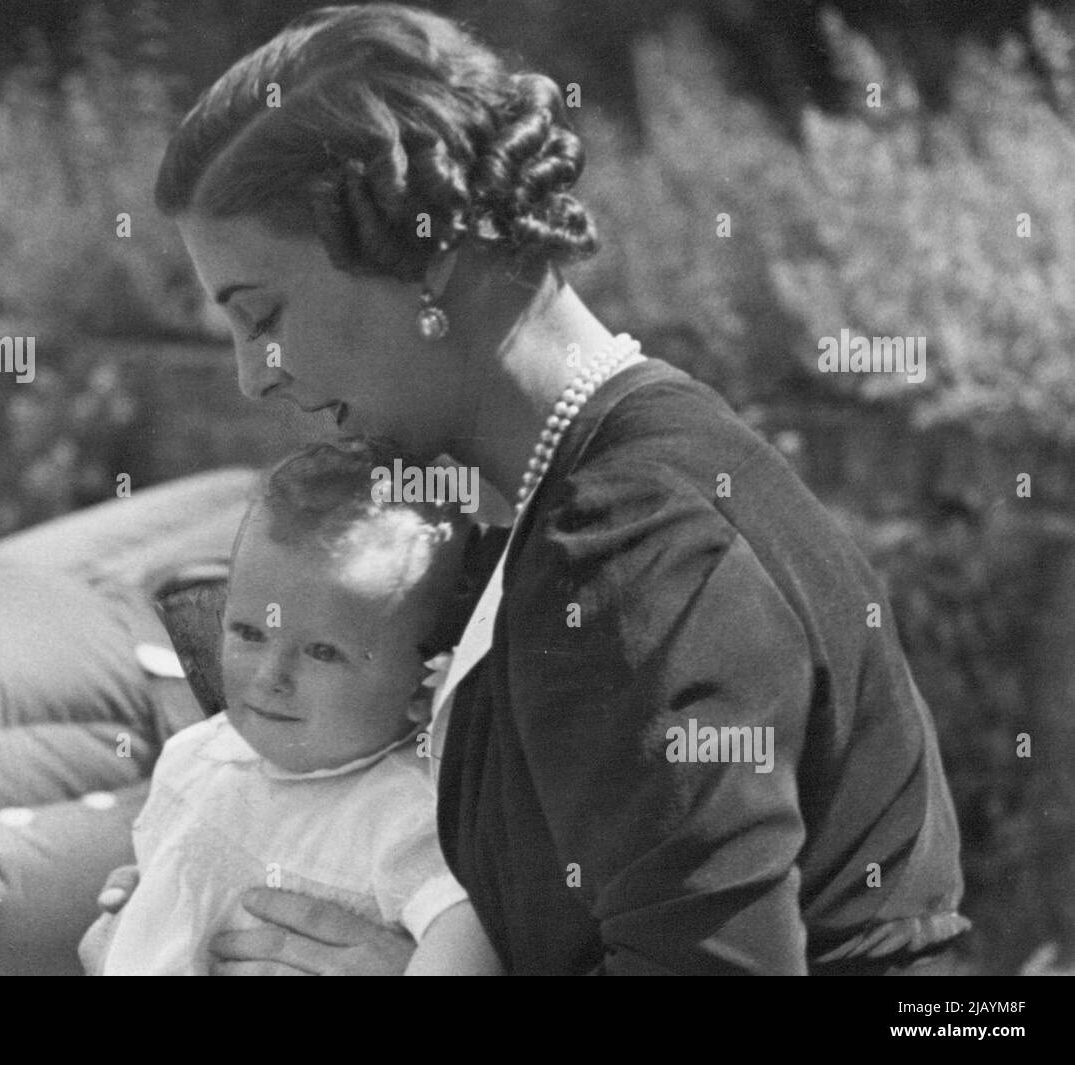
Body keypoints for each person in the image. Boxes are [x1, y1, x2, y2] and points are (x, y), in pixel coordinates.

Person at [93, 2, 971, 975]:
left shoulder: (629, 556)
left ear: (429, 258)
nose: (253, 374)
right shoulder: (597, 475)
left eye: (261, 313)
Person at [85, 437, 502, 976]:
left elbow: (465, 952)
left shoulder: (412, 817)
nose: (269, 677)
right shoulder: (196, 755)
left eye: (322, 652)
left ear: (427, 683)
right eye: (249, 632)